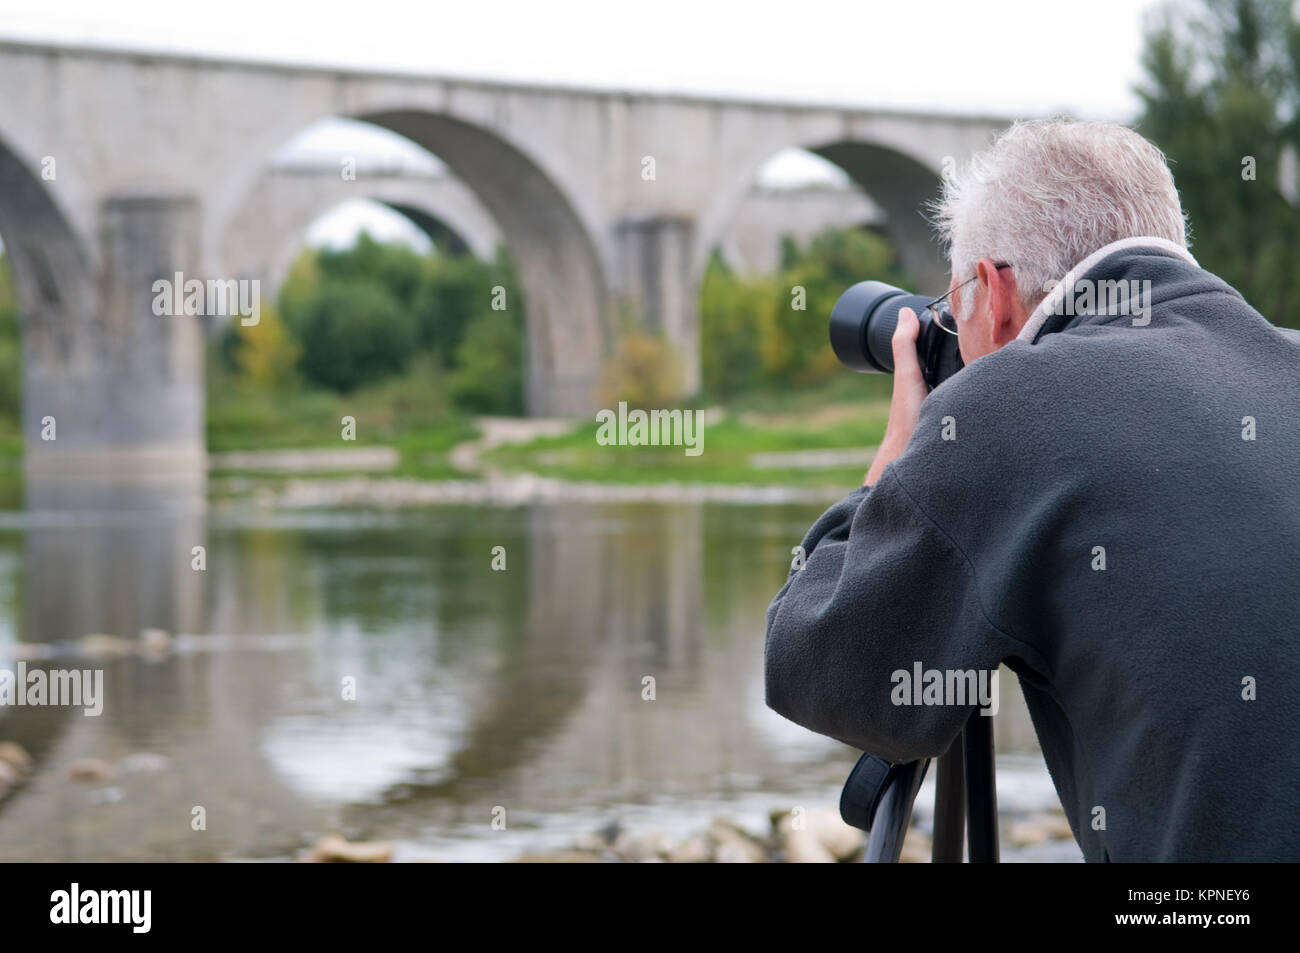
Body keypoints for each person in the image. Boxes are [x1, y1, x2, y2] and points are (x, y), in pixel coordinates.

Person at [764, 119, 1300, 862]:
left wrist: (897, 457)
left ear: (996, 290)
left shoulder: (1014, 403)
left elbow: (818, 664)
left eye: (956, 306)